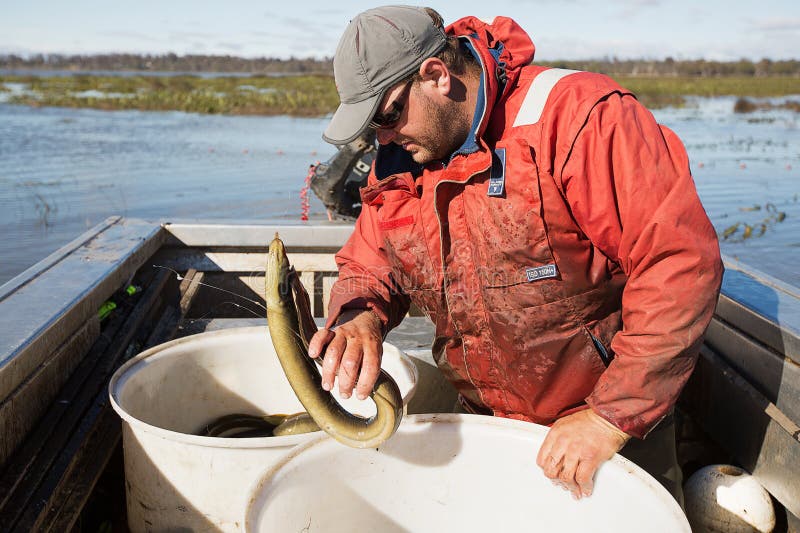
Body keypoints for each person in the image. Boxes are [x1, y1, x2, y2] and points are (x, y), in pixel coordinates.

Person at [309, 5, 723, 504]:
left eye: (389, 115)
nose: (382, 137)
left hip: (608, 432)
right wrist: (360, 315)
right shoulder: (399, 163)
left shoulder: (578, 118)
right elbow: (370, 262)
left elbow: (677, 263)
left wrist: (608, 418)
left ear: (436, 75)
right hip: (486, 426)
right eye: (371, 126)